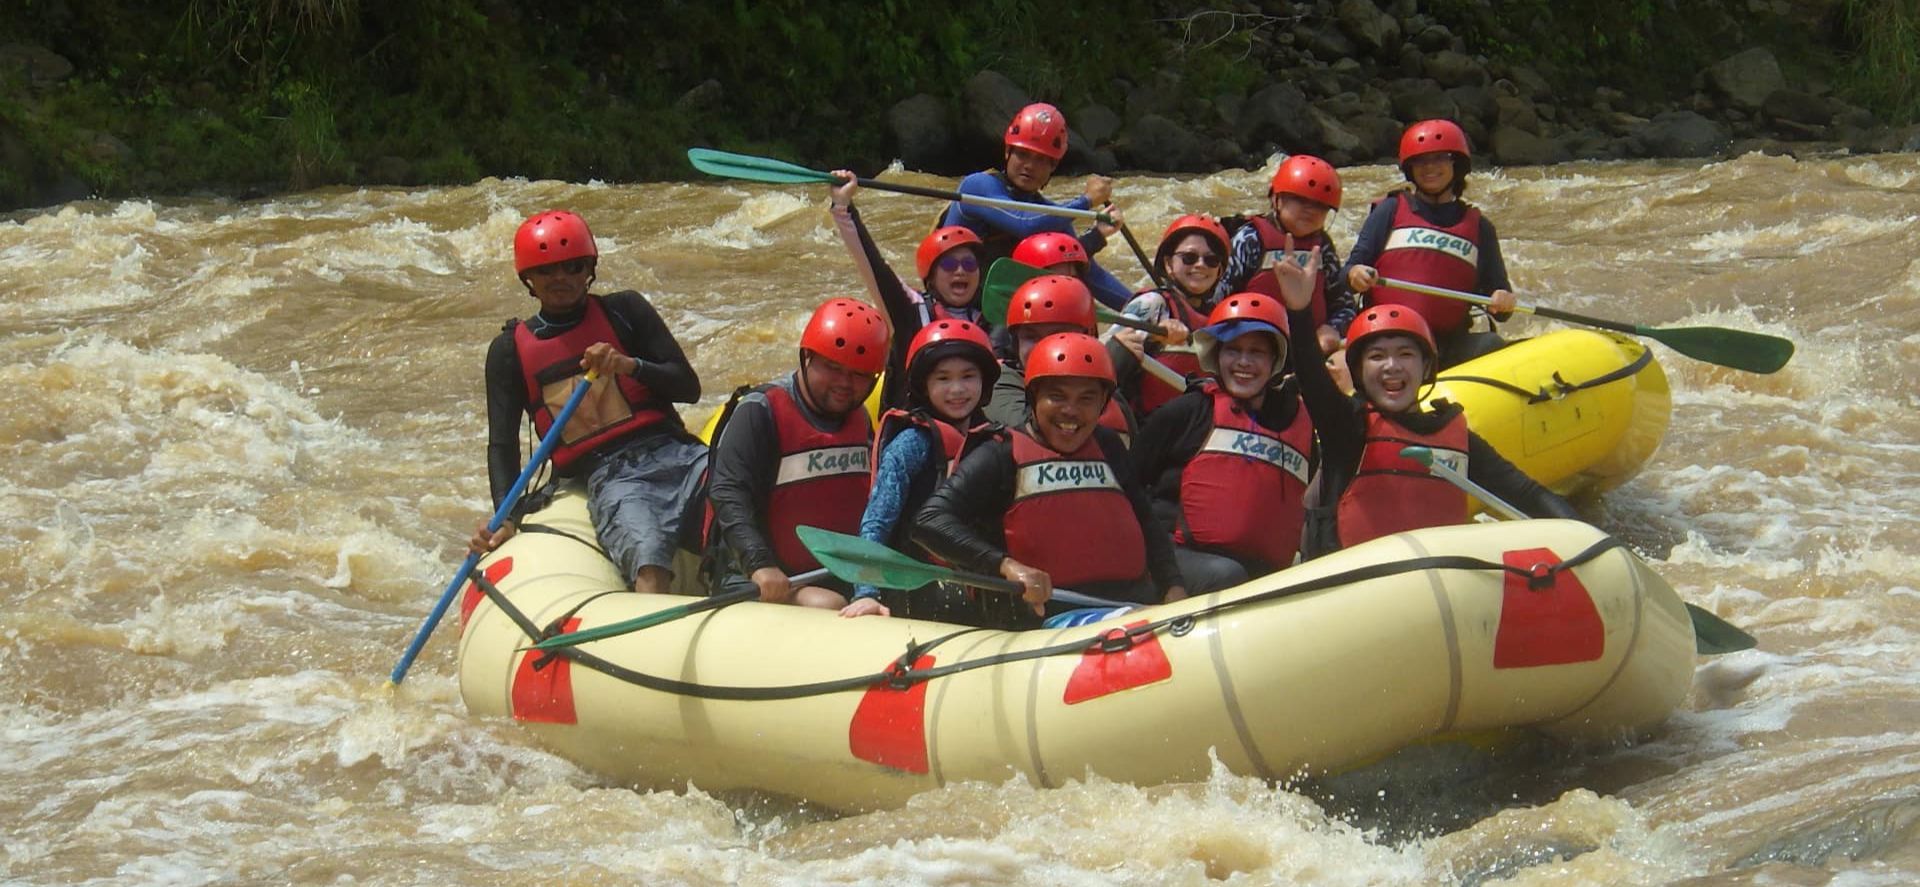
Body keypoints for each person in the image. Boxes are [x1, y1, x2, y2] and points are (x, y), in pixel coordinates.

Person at [472, 210, 706, 596]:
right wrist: (507, 516)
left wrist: (629, 365)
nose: (560, 278)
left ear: (589, 269)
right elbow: (502, 444)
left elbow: (688, 387)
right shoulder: (509, 351)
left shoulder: (625, 311)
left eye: (572, 266)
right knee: (648, 562)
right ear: (528, 279)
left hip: (675, 451)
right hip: (610, 475)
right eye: (546, 270)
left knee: (746, 515)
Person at [914, 332, 1187, 629]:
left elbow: (1145, 520)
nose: (1070, 411)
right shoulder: (1001, 454)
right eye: (1056, 396)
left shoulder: (1108, 446)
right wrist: (1006, 566)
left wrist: (1172, 585)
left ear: (1102, 404)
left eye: (1087, 399)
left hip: (1129, 602)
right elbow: (929, 520)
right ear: (1033, 399)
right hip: (1046, 617)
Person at [1307, 304, 1578, 556]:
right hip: (1353, 591)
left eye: (1406, 354)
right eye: (1377, 356)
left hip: (1437, 588)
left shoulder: (1455, 438)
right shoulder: (1346, 428)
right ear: (1359, 371)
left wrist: (1586, 535)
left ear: (1426, 367)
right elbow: (1314, 383)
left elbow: (1526, 494)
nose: (1392, 366)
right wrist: (1299, 311)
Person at [1132, 280, 1347, 593]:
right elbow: (1128, 487)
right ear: (1217, 356)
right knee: (1227, 574)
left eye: (1256, 352)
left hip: (1259, 573)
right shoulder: (1188, 412)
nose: (1244, 362)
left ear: (1275, 362)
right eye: (1233, 350)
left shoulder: (1299, 424)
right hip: (1174, 561)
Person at [704, 298, 889, 609]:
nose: (845, 383)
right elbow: (727, 492)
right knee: (826, 604)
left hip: (835, 570)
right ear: (806, 357)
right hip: (760, 577)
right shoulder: (760, 410)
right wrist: (759, 564)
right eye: (832, 367)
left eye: (858, 375)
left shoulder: (861, 418)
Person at [841, 319, 1000, 619]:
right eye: (942, 379)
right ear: (925, 387)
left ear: (984, 381)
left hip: (978, 580)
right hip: (918, 587)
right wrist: (866, 592)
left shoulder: (995, 440)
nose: (957, 389)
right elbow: (877, 521)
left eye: (968, 376)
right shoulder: (911, 444)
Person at [1342, 120, 1517, 368]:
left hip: (1447, 346)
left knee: (1492, 345)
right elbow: (1345, 275)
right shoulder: (1389, 211)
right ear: (1410, 169)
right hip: (1387, 339)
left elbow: (1501, 301)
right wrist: (1354, 274)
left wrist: (1501, 298)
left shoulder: (1481, 228)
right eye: (1420, 161)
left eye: (1439, 159)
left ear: (1456, 164)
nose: (1429, 168)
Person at [942, 102, 1136, 309]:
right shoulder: (978, 187)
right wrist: (1086, 200)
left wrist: (1142, 307)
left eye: (1042, 160)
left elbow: (1087, 273)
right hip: (955, 307)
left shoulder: (1049, 214)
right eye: (1023, 154)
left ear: (1053, 167)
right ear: (1008, 152)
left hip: (1001, 313)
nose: (1030, 166)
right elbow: (1024, 223)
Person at [827, 172, 986, 408]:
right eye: (950, 265)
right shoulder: (910, 310)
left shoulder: (989, 318)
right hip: (912, 426)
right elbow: (873, 265)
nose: (961, 271)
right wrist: (843, 206)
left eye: (969, 264)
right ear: (930, 278)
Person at [1219, 155, 1357, 361]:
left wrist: (1333, 329)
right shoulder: (1250, 238)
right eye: (1300, 200)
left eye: (1320, 205)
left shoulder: (1323, 246)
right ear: (1277, 199)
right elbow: (1220, 298)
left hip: (1309, 348)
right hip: (1255, 349)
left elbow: (1344, 305)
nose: (1310, 210)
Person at [981, 274, 1136, 444]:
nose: (1045, 347)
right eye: (1031, 337)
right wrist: (1111, 365)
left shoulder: (1111, 393)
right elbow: (1036, 433)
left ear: (1089, 336)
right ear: (1016, 344)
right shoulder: (999, 383)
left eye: (1059, 335)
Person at [1108, 214, 1229, 419]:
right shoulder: (1152, 304)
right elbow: (1104, 359)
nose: (1200, 265)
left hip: (1197, 428)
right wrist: (1153, 337)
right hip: (1147, 427)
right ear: (1168, 264)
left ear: (1219, 271)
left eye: (1211, 260)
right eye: (1189, 258)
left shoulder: (1223, 317)